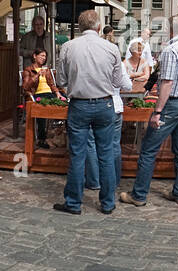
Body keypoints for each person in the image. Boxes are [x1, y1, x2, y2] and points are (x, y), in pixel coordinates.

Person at [53, 11, 128, 214]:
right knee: (106, 154)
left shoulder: (68, 47)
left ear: (79, 27)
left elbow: (60, 81)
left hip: (79, 104)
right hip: (105, 104)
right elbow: (118, 81)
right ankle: (108, 203)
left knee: (77, 155)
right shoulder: (111, 48)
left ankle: (74, 203)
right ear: (98, 27)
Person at [131, 24, 178, 205]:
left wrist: (158, 111)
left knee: (148, 149)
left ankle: (138, 195)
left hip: (171, 104)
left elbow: (167, 83)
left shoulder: (170, 51)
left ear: (170, 31)